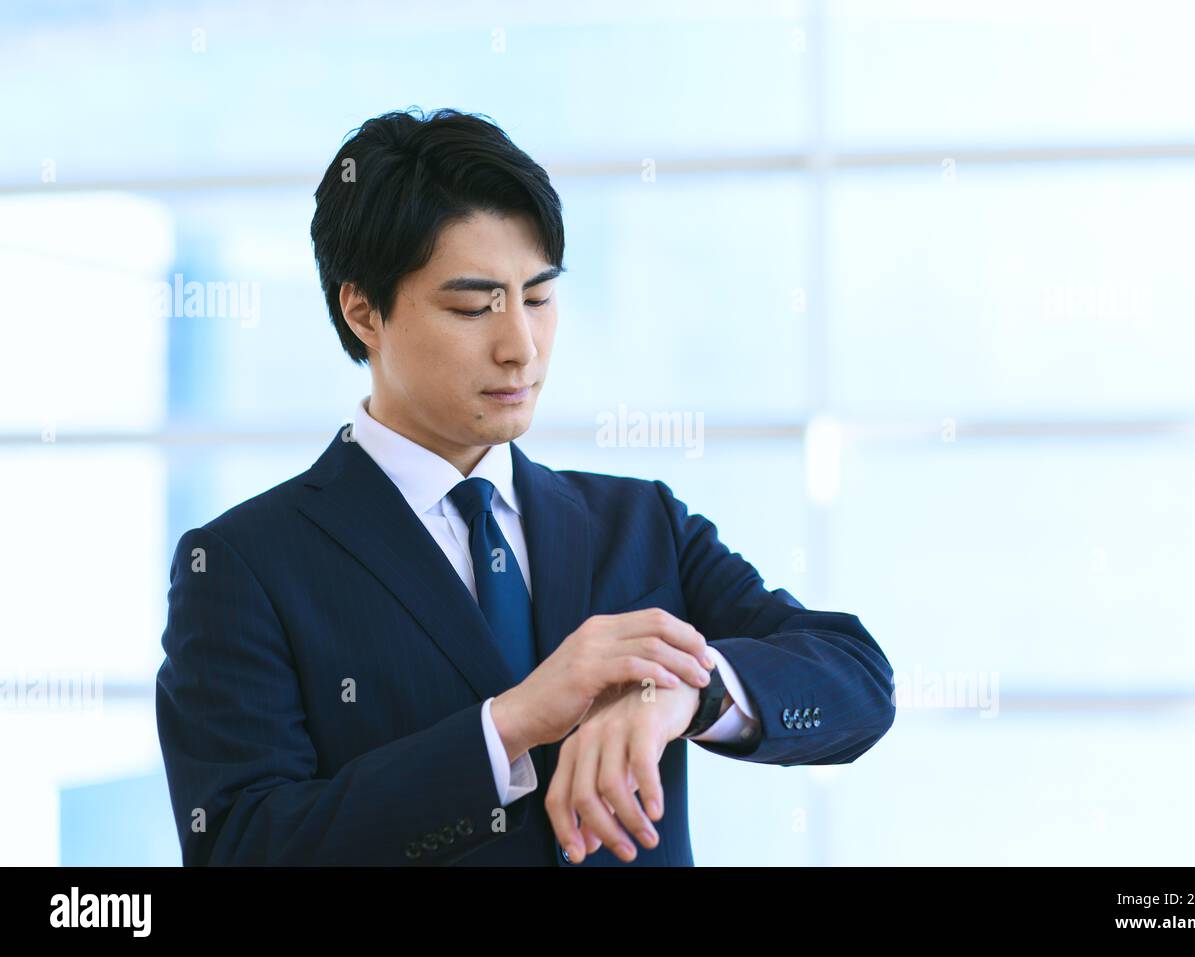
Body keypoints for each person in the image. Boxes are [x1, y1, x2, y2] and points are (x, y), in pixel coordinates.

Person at [155, 107, 896, 866]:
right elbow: (241, 846)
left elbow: (857, 680)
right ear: (363, 310)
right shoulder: (244, 565)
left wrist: (687, 691)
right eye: (474, 307)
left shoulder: (640, 522)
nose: (522, 347)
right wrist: (507, 726)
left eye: (539, 297)